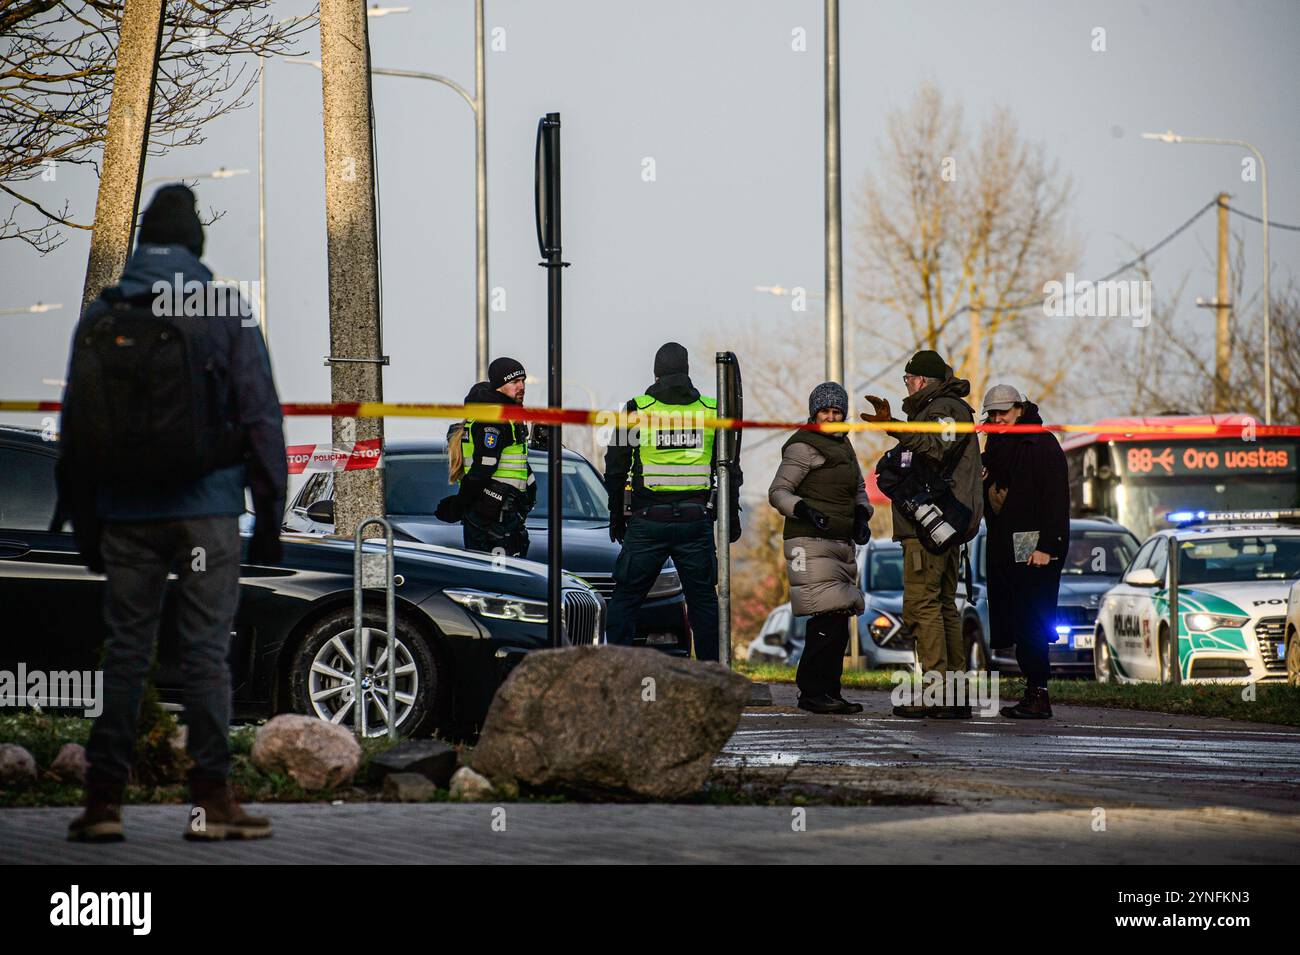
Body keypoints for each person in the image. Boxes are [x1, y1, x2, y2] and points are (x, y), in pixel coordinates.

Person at [56, 185, 286, 841]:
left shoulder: (105, 310)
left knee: (127, 653)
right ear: (194, 244)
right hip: (207, 508)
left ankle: (103, 804)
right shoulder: (222, 307)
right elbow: (262, 415)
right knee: (208, 655)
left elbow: (76, 431)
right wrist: (269, 516)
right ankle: (211, 801)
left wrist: (85, 522)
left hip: (125, 513)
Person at [862, 350, 982, 718]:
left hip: (931, 525)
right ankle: (953, 694)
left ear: (922, 381)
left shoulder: (945, 409)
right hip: (942, 526)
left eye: (909, 379)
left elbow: (935, 446)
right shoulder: (941, 408)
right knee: (943, 606)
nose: (907, 385)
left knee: (922, 607)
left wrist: (894, 427)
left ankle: (938, 694)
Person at [603, 342, 741, 660]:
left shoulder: (637, 409)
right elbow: (731, 468)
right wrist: (730, 516)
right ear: (687, 370)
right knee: (704, 601)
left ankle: (618, 671)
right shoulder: (710, 410)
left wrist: (616, 515)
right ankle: (710, 677)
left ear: (656, 373)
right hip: (696, 522)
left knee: (625, 598)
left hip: (649, 521)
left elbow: (615, 465)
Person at [768, 382, 873, 714]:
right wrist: (804, 510)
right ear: (814, 413)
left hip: (840, 540)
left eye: (837, 411)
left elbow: (858, 487)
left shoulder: (844, 446)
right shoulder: (803, 446)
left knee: (840, 616)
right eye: (825, 411)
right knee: (826, 616)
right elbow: (779, 490)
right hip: (810, 539)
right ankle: (813, 691)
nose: (831, 416)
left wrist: (861, 515)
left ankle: (830, 689)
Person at [980, 384, 1069, 719]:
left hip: (1036, 550)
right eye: (993, 414)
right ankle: (1032, 691)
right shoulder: (995, 446)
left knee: (1032, 620)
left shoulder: (1042, 444)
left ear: (1019, 409)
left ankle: (1038, 693)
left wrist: (1048, 546)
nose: (998, 419)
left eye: (1003, 412)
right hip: (1006, 547)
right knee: (1017, 621)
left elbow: (1057, 500)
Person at [436, 357, 537, 557]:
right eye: (515, 382)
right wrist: (459, 505)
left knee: (507, 577)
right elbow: (483, 469)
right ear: (499, 386)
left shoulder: (508, 416)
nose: (522, 386)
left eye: (523, 381)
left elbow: (520, 466)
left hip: (504, 513)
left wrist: (527, 498)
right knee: (496, 579)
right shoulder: (493, 418)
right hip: (491, 517)